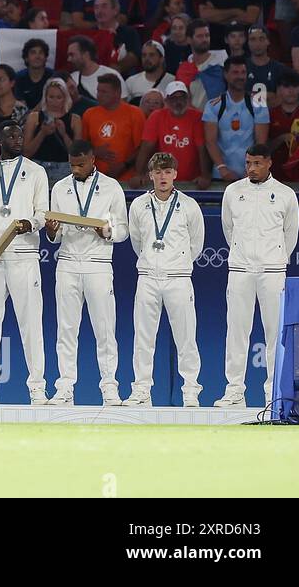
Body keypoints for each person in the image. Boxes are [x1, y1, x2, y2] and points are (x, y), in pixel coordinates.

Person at [0, 120, 50, 405]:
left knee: (31, 324)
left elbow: (44, 212)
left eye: (19, 134)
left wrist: (32, 223)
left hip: (25, 255)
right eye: (10, 135)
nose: (17, 138)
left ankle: (37, 387)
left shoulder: (36, 171)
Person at [46, 139, 129, 406]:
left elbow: (123, 231)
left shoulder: (111, 187)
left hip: (98, 262)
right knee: (66, 329)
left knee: (105, 329)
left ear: (93, 160)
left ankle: (109, 387)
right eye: (72, 165)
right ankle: (65, 387)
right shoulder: (60, 187)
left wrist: (105, 231)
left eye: (80, 164)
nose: (75, 169)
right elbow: (55, 236)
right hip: (68, 262)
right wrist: (51, 230)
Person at [217, 144, 299, 408]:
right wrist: (243, 255)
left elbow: (291, 235)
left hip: (273, 271)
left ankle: (274, 394)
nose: (251, 168)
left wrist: (273, 259)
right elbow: (228, 228)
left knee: (275, 335)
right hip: (240, 270)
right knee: (236, 332)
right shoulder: (233, 191)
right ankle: (234, 392)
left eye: (256, 163)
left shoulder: (285, 194)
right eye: (248, 163)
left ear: (268, 163)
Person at [126, 152, 205, 407]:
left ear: (175, 174)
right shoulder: (138, 205)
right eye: (158, 172)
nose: (163, 176)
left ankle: (191, 389)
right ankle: (141, 390)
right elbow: (137, 242)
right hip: (148, 276)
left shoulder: (189, 205)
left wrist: (177, 264)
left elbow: (197, 244)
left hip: (179, 278)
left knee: (186, 337)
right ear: (150, 175)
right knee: (143, 337)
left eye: (167, 171)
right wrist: (152, 261)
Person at [203, 56, 271, 181]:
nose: (240, 77)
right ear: (225, 75)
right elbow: (210, 141)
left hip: (250, 175)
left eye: (243, 72)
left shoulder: (258, 103)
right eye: (235, 72)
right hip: (221, 175)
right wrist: (223, 169)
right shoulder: (213, 105)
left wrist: (252, 169)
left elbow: (261, 142)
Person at [137, 80, 208, 186]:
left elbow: (202, 148)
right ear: (166, 100)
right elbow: (146, 147)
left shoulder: (197, 117)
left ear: (188, 99)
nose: (178, 102)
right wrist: (139, 174)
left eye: (182, 97)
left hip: (192, 181)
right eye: (173, 98)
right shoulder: (157, 116)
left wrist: (205, 176)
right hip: (162, 180)